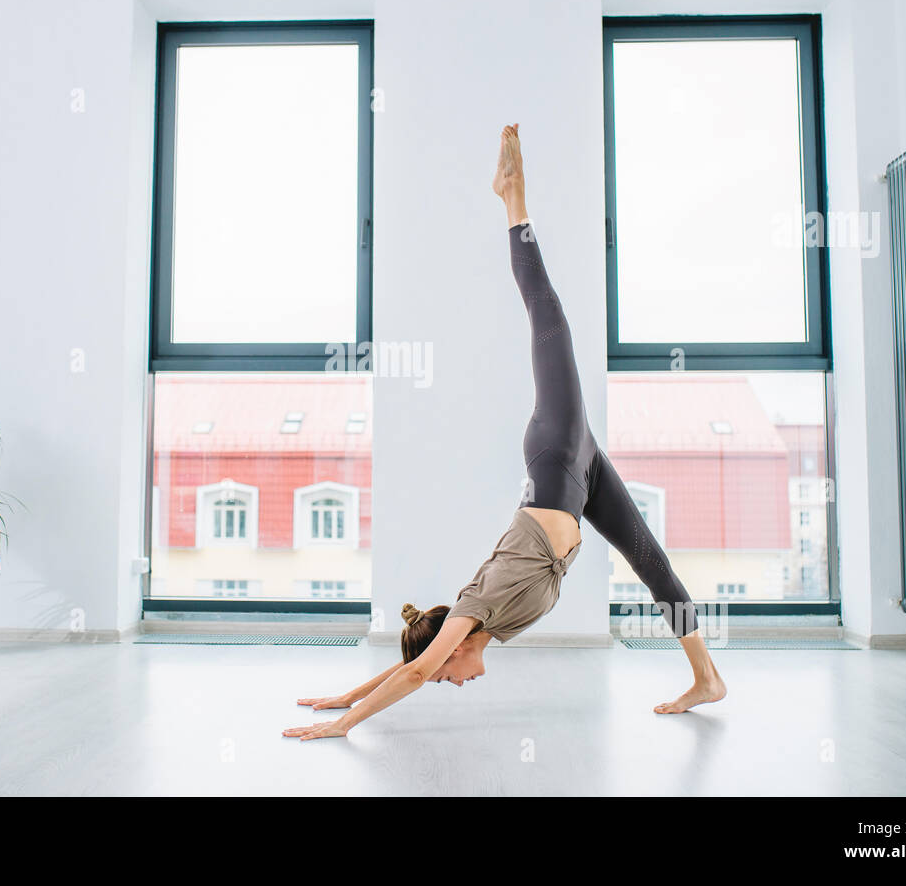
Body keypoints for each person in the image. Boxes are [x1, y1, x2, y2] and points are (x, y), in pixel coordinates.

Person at [284, 125, 725, 741]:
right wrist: (342, 697)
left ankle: (513, 200)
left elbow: (414, 675)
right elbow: (410, 668)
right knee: (650, 561)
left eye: (446, 673)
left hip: (555, 457)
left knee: (549, 321)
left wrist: (346, 726)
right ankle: (707, 678)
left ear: (450, 646)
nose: (453, 682)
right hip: (580, 475)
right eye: (444, 675)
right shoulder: (488, 626)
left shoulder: (471, 614)